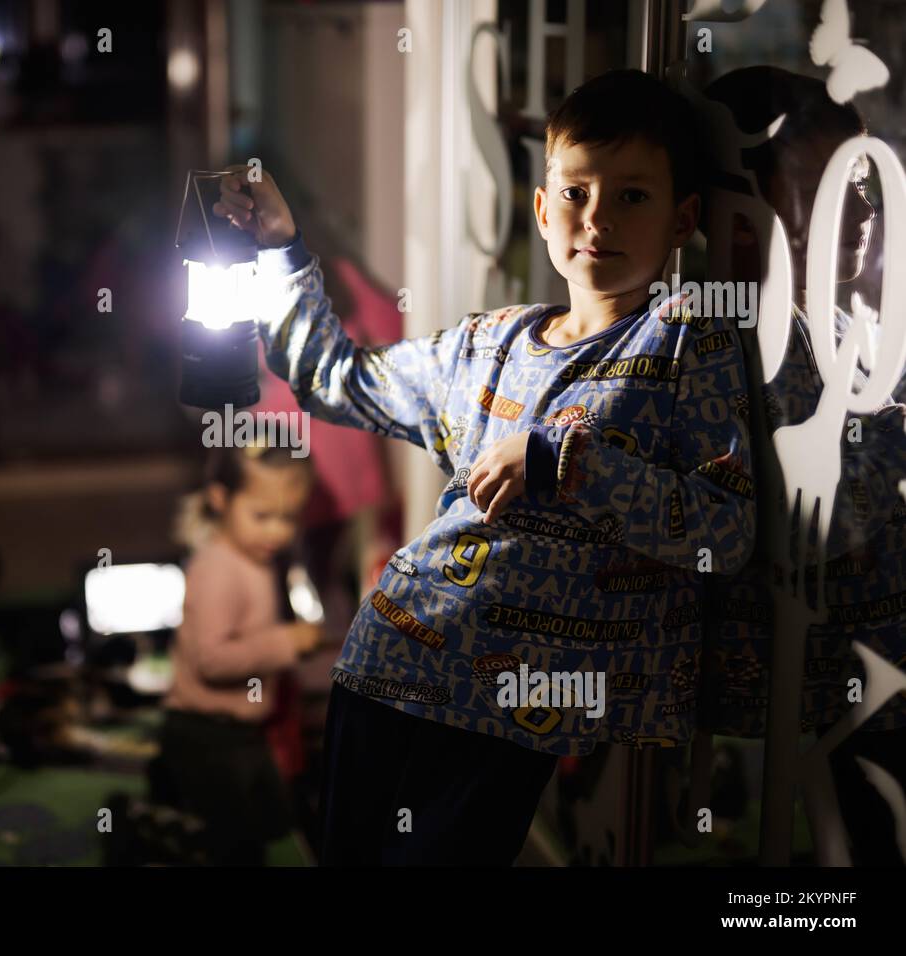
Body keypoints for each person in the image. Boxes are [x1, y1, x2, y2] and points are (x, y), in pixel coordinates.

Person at [212, 69, 756, 865]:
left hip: (518, 705)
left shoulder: (685, 344)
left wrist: (561, 463)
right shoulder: (485, 344)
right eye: (575, 193)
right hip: (385, 668)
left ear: (683, 220)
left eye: (631, 196)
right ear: (541, 210)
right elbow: (335, 380)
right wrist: (282, 250)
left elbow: (724, 530)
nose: (597, 218)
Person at [702, 66, 906, 865]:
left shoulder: (850, 316)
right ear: (740, 214)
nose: (859, 215)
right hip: (820, 673)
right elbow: (828, 520)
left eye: (861, 185)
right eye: (824, 194)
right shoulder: (735, 342)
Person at [151, 443, 322, 865]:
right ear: (220, 499)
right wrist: (286, 642)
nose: (277, 532)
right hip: (204, 734)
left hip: (243, 732)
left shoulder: (258, 560)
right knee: (235, 847)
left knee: (275, 822)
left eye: (289, 517)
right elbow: (212, 661)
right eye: (263, 516)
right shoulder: (217, 569)